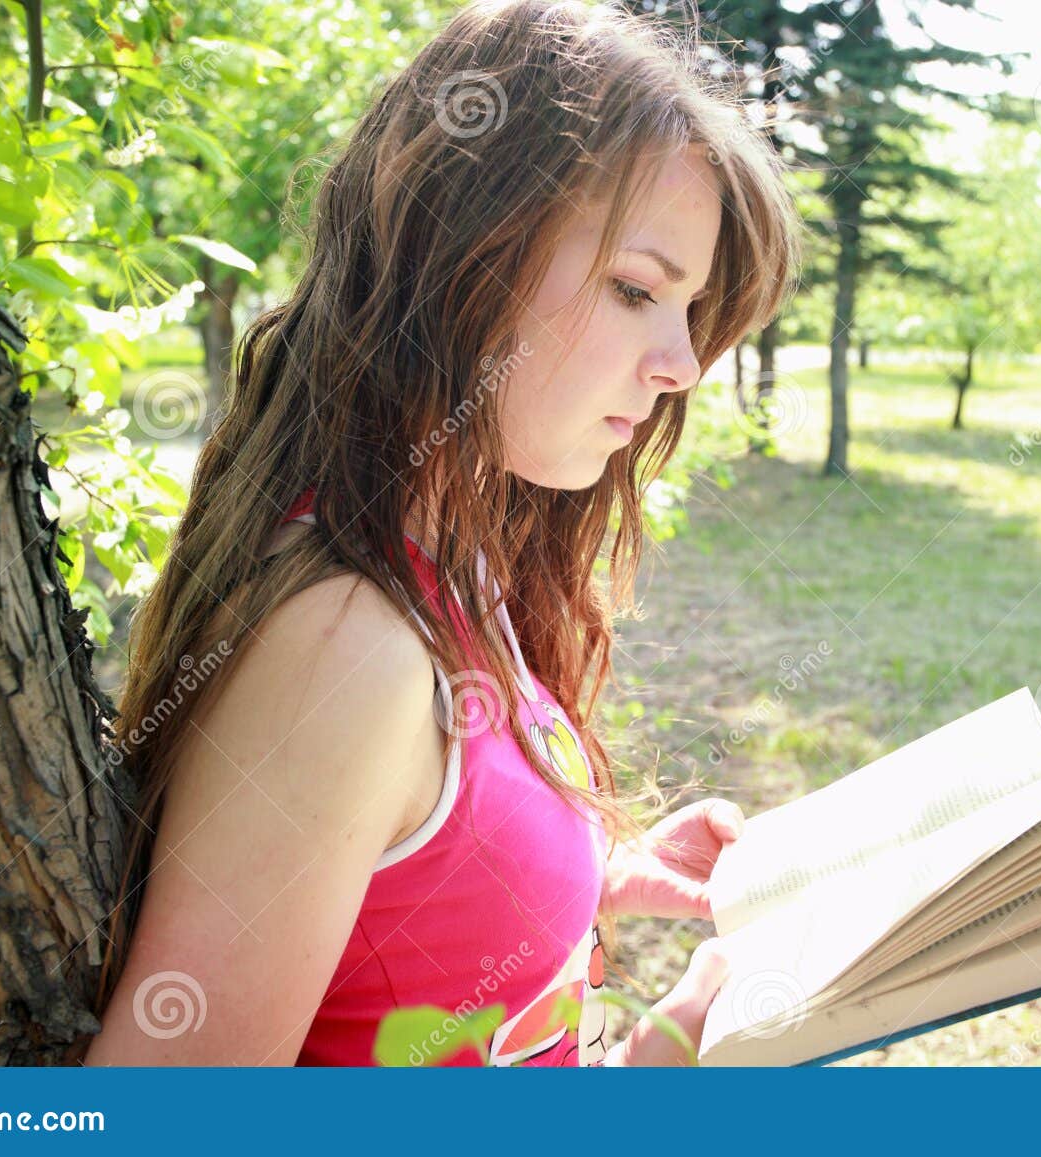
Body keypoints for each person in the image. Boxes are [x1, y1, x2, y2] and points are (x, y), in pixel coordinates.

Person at [84, 0, 802, 1067]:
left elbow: (395, 908)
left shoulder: (447, 562)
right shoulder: (345, 648)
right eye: (635, 288)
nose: (679, 364)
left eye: (686, 309)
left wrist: (600, 873)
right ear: (461, 253)